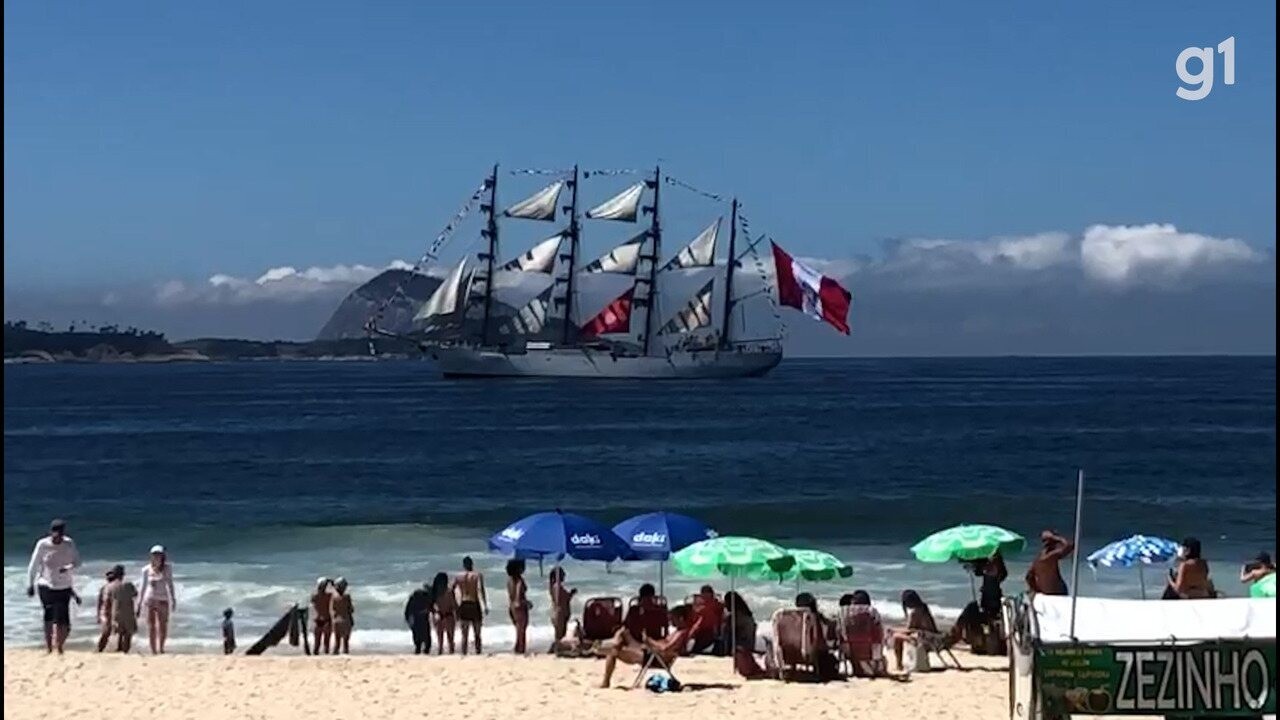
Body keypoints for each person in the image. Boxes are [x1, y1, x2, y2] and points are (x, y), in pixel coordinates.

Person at [599, 615, 705, 689]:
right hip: (650, 652)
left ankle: (605, 681)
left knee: (613, 651)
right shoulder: (678, 632)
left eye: (673, 618)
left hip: (654, 658)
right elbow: (664, 645)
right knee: (623, 632)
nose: (671, 620)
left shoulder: (680, 634)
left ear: (681, 618)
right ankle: (609, 646)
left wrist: (649, 640)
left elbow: (665, 649)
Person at [26, 519, 82, 654]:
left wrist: (67, 568)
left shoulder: (69, 543)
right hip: (45, 584)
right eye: (55, 533)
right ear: (51, 532)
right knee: (49, 616)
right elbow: (33, 565)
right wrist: (30, 584)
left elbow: (77, 562)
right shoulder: (43, 544)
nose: (58, 537)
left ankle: (60, 645)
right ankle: (49, 648)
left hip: (64, 586)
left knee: (64, 622)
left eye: (60, 534)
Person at [950, 553, 1008, 647]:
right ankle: (960, 635)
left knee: (970, 609)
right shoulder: (991, 562)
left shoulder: (994, 562)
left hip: (992, 603)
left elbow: (987, 571)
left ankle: (956, 635)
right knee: (971, 609)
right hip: (989, 600)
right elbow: (979, 571)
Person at [888, 589, 942, 673]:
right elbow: (913, 629)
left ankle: (899, 665)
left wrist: (894, 630)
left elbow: (909, 630)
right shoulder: (924, 608)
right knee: (898, 634)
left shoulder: (915, 613)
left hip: (926, 641)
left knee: (896, 637)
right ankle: (900, 665)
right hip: (934, 639)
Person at [137, 545, 177, 654]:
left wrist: (173, 599)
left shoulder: (167, 568)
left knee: (163, 625)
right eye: (154, 554)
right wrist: (139, 603)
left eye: (159, 554)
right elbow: (143, 587)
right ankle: (153, 650)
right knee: (151, 626)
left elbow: (170, 584)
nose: (157, 557)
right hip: (150, 600)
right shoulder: (146, 570)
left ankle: (161, 647)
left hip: (163, 599)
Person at [451, 556, 487, 655]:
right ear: (472, 564)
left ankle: (464, 654)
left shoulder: (458, 576)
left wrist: (455, 604)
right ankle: (478, 653)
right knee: (477, 634)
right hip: (474, 603)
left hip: (463, 603)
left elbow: (451, 590)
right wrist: (485, 605)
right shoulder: (477, 575)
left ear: (463, 565)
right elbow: (481, 590)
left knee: (464, 634)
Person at [1026, 530, 1074, 595]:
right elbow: (1069, 545)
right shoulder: (1052, 556)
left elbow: (1028, 577)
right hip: (1058, 592)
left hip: (1045, 593)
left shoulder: (1037, 561)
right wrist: (1055, 538)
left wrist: (1037, 590)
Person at [105, 563, 138, 653]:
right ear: (123, 574)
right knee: (128, 633)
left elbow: (107, 601)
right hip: (128, 611)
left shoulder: (110, 586)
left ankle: (119, 648)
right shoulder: (128, 584)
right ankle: (125, 650)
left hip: (116, 611)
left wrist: (106, 614)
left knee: (119, 632)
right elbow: (135, 594)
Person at [548, 567, 576, 652]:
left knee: (560, 634)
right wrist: (570, 594)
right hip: (559, 613)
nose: (564, 575)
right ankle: (554, 650)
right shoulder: (557, 587)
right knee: (559, 635)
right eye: (562, 574)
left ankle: (557, 650)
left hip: (560, 613)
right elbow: (560, 600)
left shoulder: (555, 586)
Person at [690, 585, 724, 655]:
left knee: (696, 649)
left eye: (705, 593)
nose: (703, 595)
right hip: (701, 631)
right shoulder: (700, 606)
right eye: (702, 593)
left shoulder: (715, 605)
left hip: (711, 631)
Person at [506, 560, 530, 655]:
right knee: (522, 631)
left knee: (518, 630)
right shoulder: (519, 580)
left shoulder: (509, 580)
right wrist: (527, 603)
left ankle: (517, 650)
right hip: (519, 608)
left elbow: (512, 596)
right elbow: (518, 596)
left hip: (511, 607)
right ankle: (520, 651)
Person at [404, 581, 433, 655]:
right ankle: (424, 651)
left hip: (417, 619)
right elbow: (431, 607)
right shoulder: (426, 597)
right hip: (422, 618)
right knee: (426, 637)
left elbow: (407, 611)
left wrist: (408, 620)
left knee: (417, 638)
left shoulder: (413, 598)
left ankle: (418, 650)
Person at [96, 566, 121, 652]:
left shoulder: (116, 587)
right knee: (106, 631)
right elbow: (99, 602)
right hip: (106, 612)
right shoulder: (104, 588)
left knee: (119, 630)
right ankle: (100, 649)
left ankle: (119, 648)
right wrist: (98, 615)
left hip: (113, 611)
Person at [431, 572, 456, 655]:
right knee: (450, 638)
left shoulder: (434, 592)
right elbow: (453, 605)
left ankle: (440, 653)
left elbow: (432, 605)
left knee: (440, 639)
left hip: (439, 616)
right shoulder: (449, 591)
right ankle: (450, 653)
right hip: (448, 615)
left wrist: (436, 612)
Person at [330, 577, 354, 654]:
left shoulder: (334, 597)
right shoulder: (347, 597)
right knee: (345, 643)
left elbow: (332, 609)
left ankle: (334, 656)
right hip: (346, 620)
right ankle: (345, 654)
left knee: (337, 643)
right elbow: (351, 610)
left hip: (336, 621)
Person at [311, 577, 334, 654]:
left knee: (317, 643)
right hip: (327, 619)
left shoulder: (314, 596)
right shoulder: (329, 596)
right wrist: (332, 583)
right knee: (326, 643)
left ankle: (315, 656)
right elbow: (338, 594)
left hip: (318, 620)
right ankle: (326, 655)